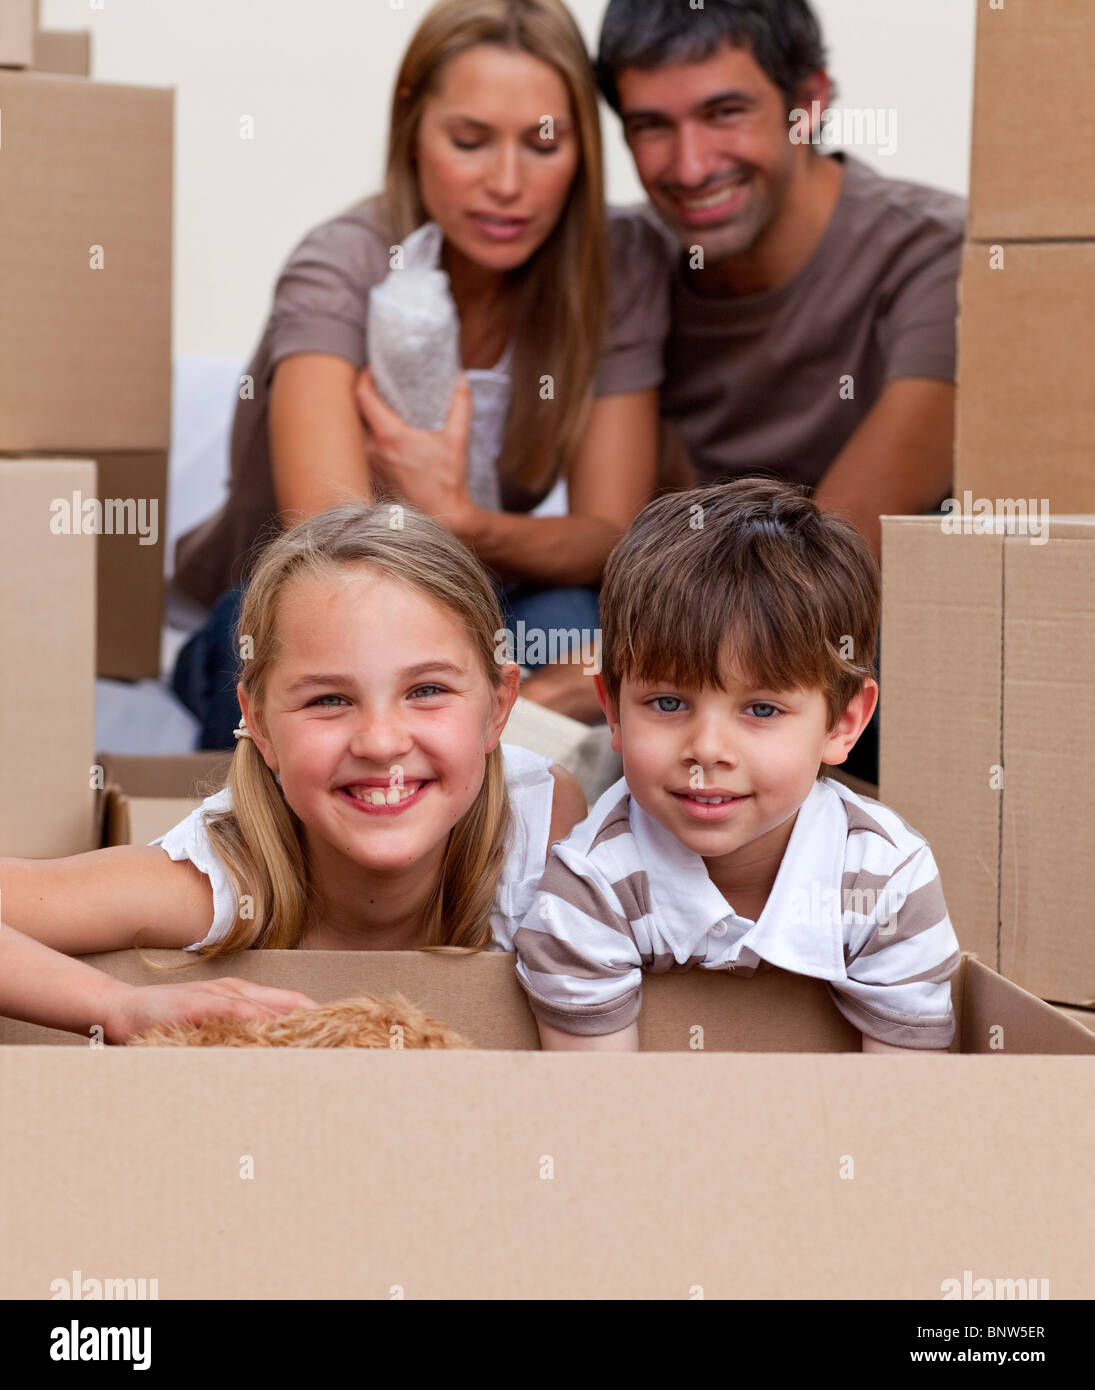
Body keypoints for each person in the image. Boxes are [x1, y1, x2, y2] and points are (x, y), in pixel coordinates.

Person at [171, 0, 669, 745]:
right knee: (293, 644)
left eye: (542, 144)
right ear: (411, 125)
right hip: (288, 601)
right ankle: (270, 855)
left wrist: (464, 523)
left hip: (479, 599)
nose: (506, 182)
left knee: (571, 619)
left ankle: (517, 851)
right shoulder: (340, 265)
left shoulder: (616, 265)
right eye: (469, 141)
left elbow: (609, 533)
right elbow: (326, 547)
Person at [0, 504, 588, 1043]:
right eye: (329, 700)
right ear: (259, 725)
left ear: (499, 708)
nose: (381, 742)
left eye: (427, 690)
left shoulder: (539, 823)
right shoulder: (223, 880)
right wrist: (116, 1005)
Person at [595, 0, 967, 781]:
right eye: (650, 126)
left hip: (823, 657)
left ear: (808, 105)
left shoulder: (934, 257)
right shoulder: (629, 262)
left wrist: (596, 681)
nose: (689, 166)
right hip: (674, 656)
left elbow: (820, 572)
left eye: (724, 112)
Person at [513, 481, 961, 1054]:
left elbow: (903, 1112)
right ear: (613, 711)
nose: (708, 750)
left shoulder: (886, 880)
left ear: (843, 724)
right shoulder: (588, 888)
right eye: (669, 703)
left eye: (762, 709)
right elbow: (601, 1113)